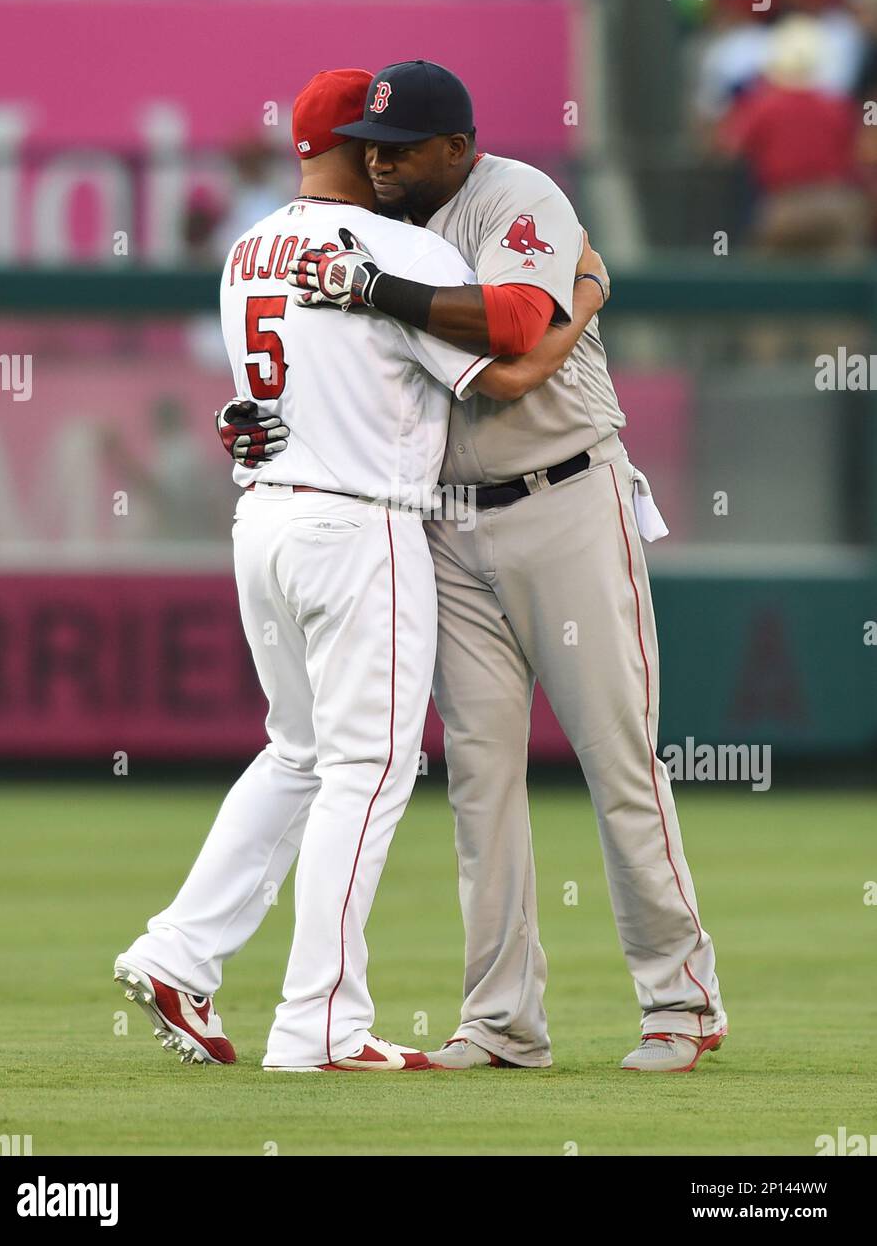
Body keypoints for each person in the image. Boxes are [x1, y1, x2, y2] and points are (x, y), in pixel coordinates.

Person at [114, 67, 602, 1072]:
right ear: (354, 142)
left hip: (264, 520)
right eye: (375, 139)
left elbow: (267, 393)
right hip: (360, 522)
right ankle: (321, 1025)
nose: (390, 156)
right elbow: (504, 370)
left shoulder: (246, 247)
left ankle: (178, 950)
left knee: (296, 751)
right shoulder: (400, 247)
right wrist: (586, 293)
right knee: (367, 771)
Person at [273, 60, 727, 1074]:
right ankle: (501, 1019)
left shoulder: (513, 193)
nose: (381, 161)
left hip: (563, 494)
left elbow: (520, 344)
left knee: (618, 760)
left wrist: (384, 290)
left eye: (402, 146)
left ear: (457, 149)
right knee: (480, 778)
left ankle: (678, 1003)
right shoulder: (372, 228)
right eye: (371, 144)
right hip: (441, 517)